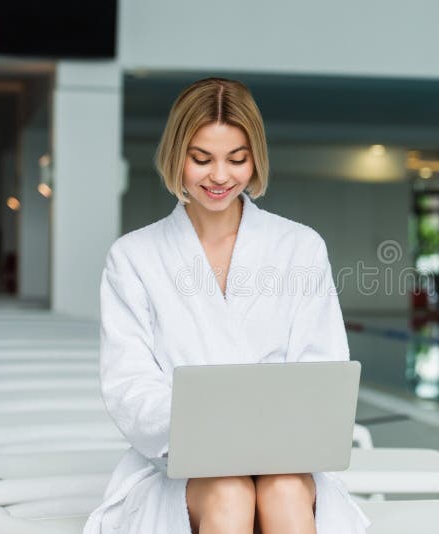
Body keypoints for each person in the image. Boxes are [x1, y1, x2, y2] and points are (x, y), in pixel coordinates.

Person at [83, 78, 370, 534]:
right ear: (176, 156)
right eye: (202, 159)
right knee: (230, 489)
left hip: (286, 461)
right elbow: (129, 383)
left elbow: (324, 368)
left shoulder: (299, 247)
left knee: (284, 489)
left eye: (237, 159)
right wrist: (207, 434)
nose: (220, 176)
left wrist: (267, 438)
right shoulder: (134, 257)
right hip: (177, 469)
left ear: (255, 159)